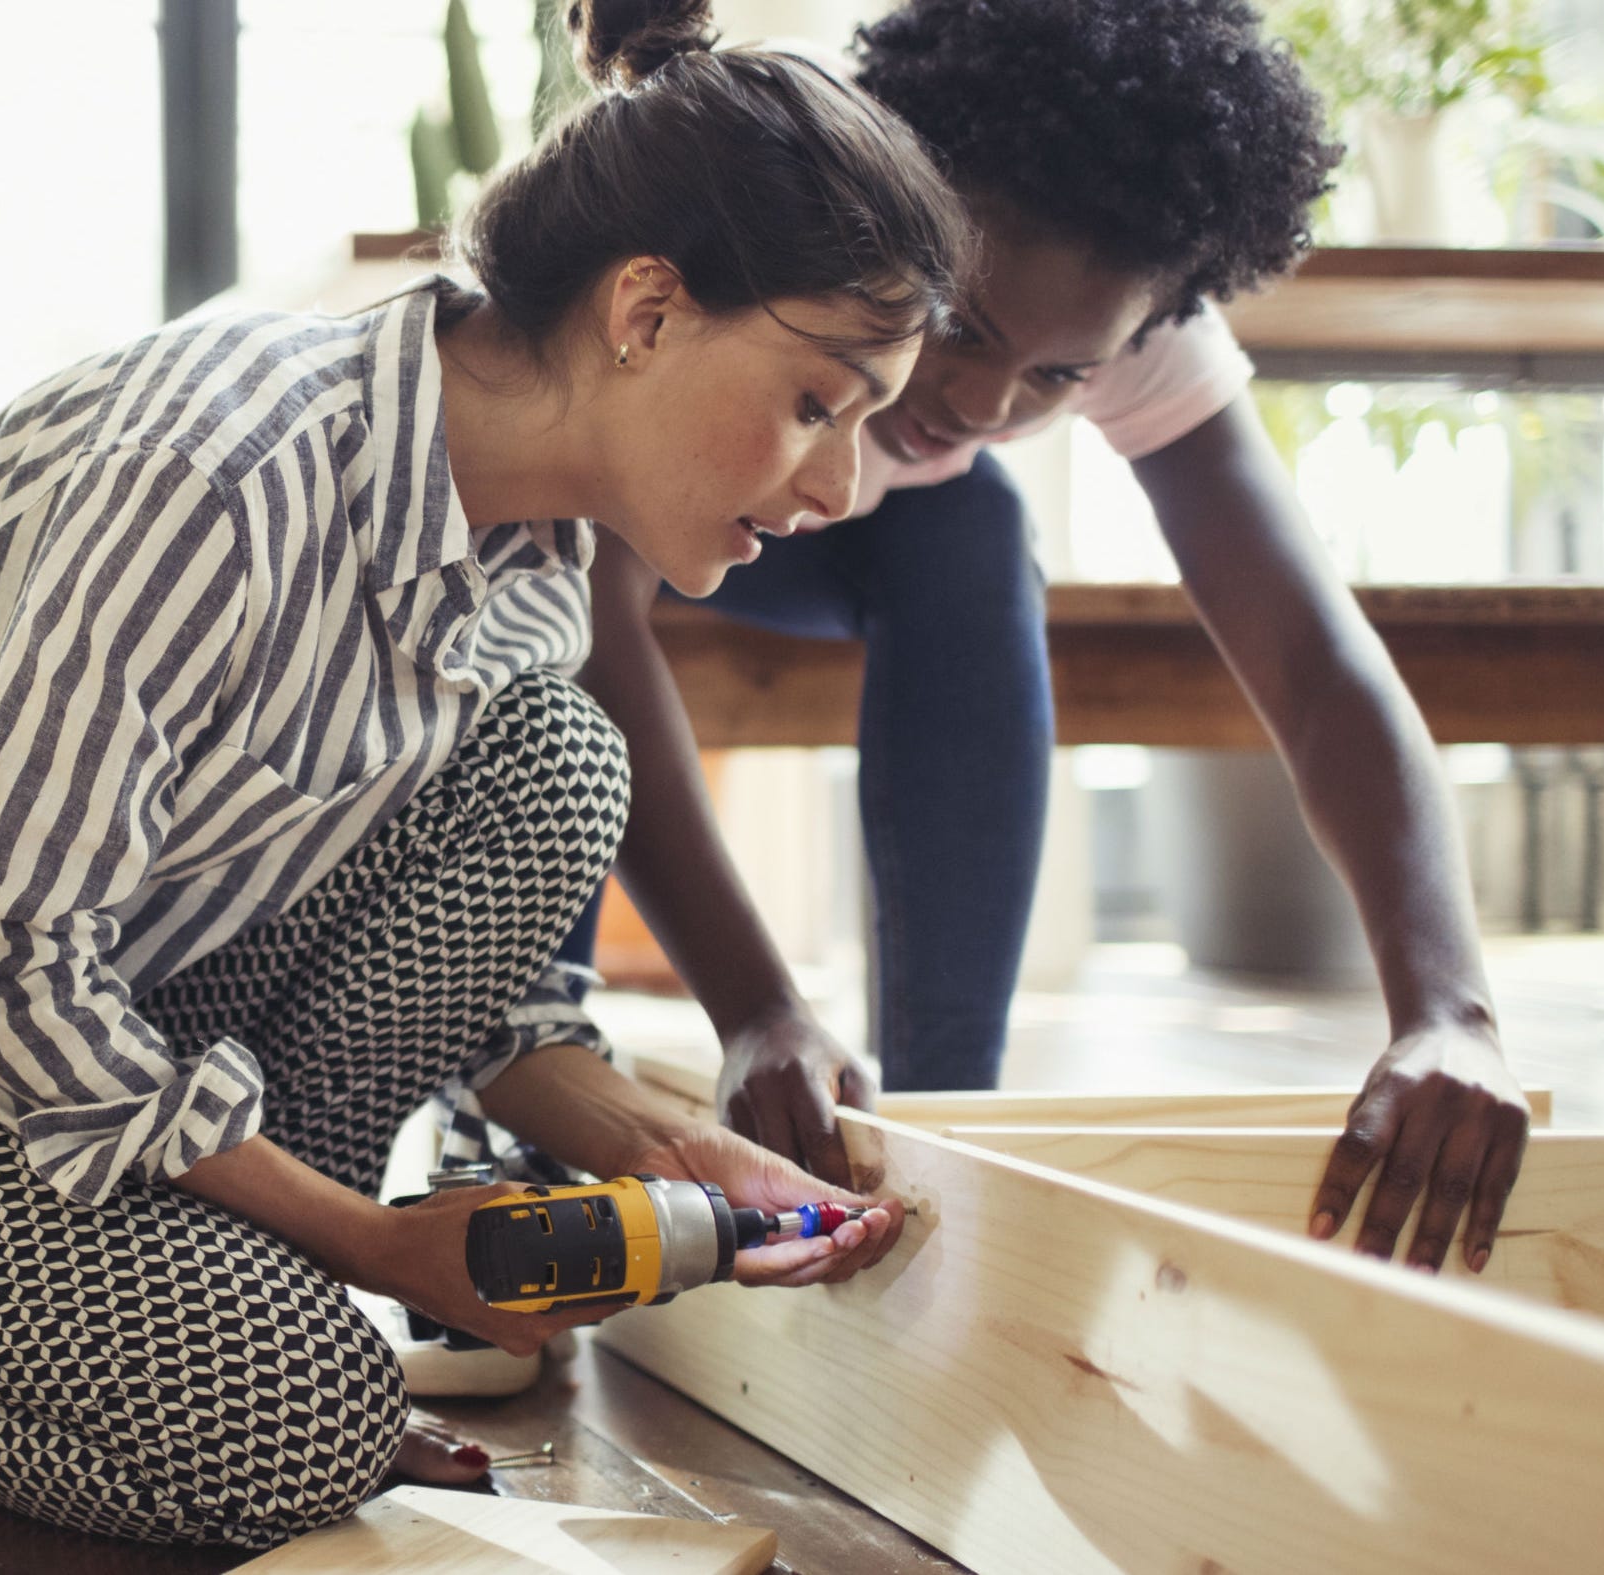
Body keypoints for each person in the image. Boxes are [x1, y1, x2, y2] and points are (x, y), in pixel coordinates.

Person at [0, 2, 960, 1547]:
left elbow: (482, 988)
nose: (841, 485)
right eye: (818, 405)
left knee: (558, 762)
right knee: (303, 1423)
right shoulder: (218, 472)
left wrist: (664, 1159)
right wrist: (380, 1247)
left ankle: (146, 1298)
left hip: (118, 1006)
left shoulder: (538, 560)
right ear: (645, 312)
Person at [572, 0, 1532, 1278]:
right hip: (605, 507)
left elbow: (1312, 660)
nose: (982, 400)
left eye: (1058, 379)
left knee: (971, 524)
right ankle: (534, 1070)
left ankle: (945, 1112)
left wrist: (1450, 1015)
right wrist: (756, 1011)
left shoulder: (1122, 304)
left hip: (836, 531)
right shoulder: (785, 179)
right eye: (960, 324)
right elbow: (586, 624)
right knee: (538, 642)